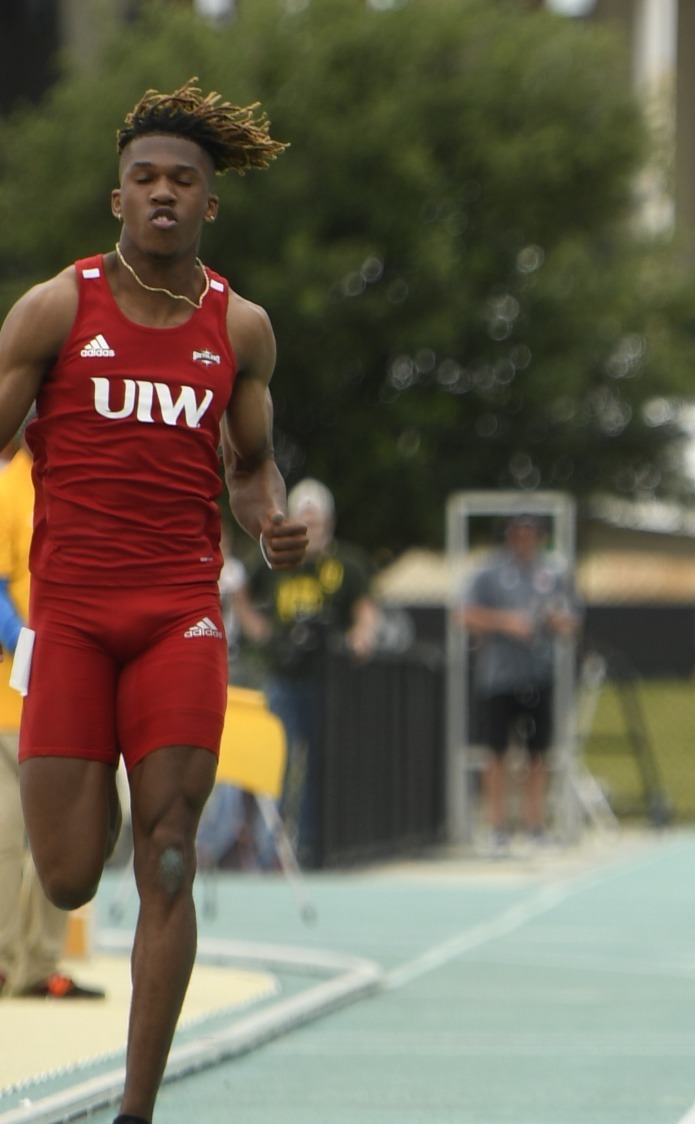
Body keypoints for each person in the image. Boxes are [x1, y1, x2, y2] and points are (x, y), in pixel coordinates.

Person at [0, 82, 306, 1124]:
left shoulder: (243, 329)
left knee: (170, 848)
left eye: (184, 181)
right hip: (71, 621)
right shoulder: (54, 309)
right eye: (146, 181)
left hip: (181, 613)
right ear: (116, 199)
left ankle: (137, 1107)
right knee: (71, 876)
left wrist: (273, 523)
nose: (164, 195)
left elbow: (253, 471)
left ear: (211, 203)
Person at [0, 438, 105, 1000]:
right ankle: (16, 960)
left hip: (64, 692)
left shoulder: (79, 479)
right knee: (11, 833)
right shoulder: (8, 490)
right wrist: (33, 647)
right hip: (18, 696)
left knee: (51, 834)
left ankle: (35, 962)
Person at [229, 477, 378, 865]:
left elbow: (365, 611)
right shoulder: (276, 562)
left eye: (317, 522)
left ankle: (310, 843)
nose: (311, 530)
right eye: (304, 521)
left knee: (318, 766)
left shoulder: (346, 564)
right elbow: (237, 588)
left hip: (328, 680)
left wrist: (361, 637)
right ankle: (269, 850)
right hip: (283, 674)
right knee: (277, 759)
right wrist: (257, 629)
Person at [462, 514, 579, 854]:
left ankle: (535, 826)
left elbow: (573, 619)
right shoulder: (489, 571)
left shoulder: (553, 572)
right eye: (519, 531)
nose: (525, 537)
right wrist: (506, 622)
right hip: (499, 676)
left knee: (537, 754)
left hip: (539, 674)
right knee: (496, 752)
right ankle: (497, 827)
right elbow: (464, 614)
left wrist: (555, 620)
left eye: (531, 531)